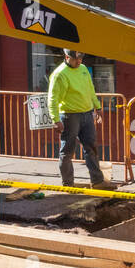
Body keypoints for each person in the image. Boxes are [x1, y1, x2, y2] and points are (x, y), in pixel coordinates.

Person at [47, 48, 110, 188]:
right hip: (69, 116)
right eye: (76, 59)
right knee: (68, 151)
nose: (79, 61)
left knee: (91, 148)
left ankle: (98, 181)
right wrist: (56, 120)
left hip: (87, 114)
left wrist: (97, 106)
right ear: (67, 56)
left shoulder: (83, 68)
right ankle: (68, 183)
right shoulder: (59, 74)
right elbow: (52, 99)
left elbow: (90, 88)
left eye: (81, 58)